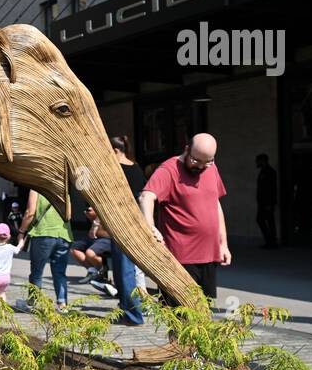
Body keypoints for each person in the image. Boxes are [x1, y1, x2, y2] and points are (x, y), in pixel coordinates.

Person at [139, 133, 230, 302]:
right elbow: (146, 197)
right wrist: (150, 228)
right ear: (187, 149)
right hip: (180, 257)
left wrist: (223, 244)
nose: (201, 166)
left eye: (207, 161)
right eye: (197, 161)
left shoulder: (211, 168)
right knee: (181, 313)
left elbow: (215, 205)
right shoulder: (169, 169)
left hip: (209, 255)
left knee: (203, 312)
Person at [109, 134, 147, 325]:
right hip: (132, 222)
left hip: (122, 222)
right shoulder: (137, 168)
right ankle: (126, 310)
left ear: (116, 151)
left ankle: (133, 314)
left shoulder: (117, 169)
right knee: (122, 269)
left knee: (124, 270)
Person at [20, 189, 72, 309]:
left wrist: (21, 231)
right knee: (60, 272)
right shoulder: (63, 190)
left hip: (43, 234)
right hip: (64, 235)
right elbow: (69, 215)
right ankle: (62, 304)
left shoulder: (36, 189)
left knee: (37, 271)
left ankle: (33, 302)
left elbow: (30, 213)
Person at [70, 205, 116, 296]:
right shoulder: (95, 212)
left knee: (90, 253)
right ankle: (93, 271)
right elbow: (91, 234)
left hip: (107, 239)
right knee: (74, 248)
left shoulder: (110, 209)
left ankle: (102, 271)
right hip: (95, 238)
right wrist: (92, 218)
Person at [255, 153, 279, 248]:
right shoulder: (263, 171)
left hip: (267, 202)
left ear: (263, 161)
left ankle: (272, 242)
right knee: (264, 220)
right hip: (262, 202)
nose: (256, 163)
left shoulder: (270, 172)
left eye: (258, 161)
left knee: (268, 221)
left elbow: (271, 189)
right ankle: (270, 241)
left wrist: (270, 203)